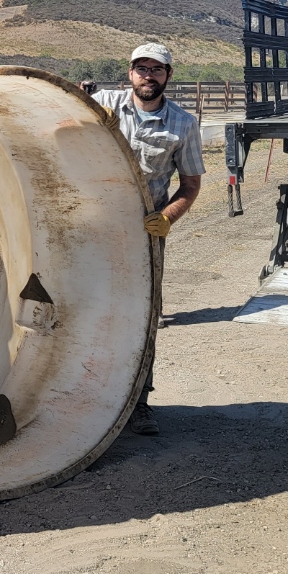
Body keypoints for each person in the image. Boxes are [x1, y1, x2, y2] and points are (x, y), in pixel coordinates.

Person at [94, 42, 204, 436]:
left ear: (168, 76)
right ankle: (84, 397)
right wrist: (85, 115)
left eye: (156, 70)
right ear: (130, 73)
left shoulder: (183, 124)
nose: (148, 75)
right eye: (141, 68)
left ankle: (138, 404)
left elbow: (190, 185)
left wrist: (167, 218)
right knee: (86, 308)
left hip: (144, 235)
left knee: (141, 316)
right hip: (91, 230)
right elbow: (54, 112)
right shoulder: (101, 102)